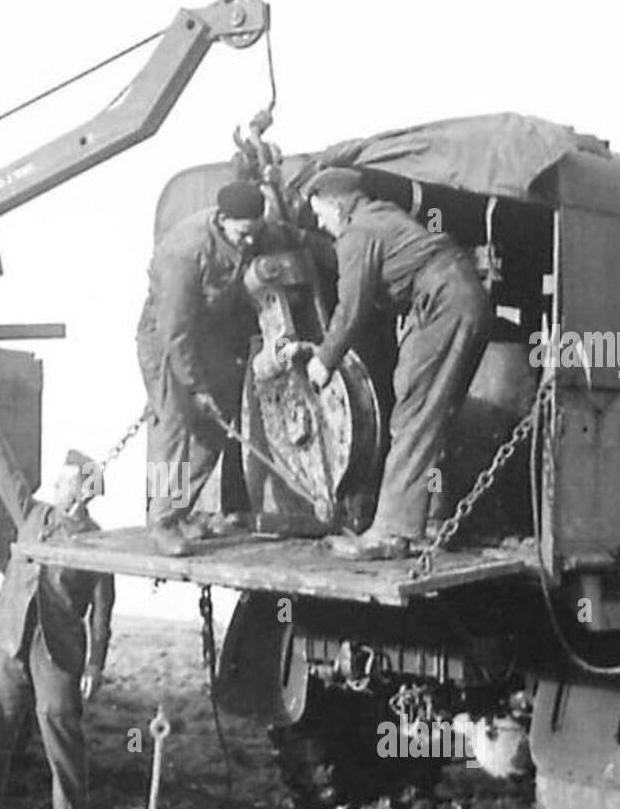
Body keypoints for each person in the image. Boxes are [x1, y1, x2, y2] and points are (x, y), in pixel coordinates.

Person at [300, 167, 490, 560]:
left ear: (336, 203)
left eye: (319, 212)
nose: (319, 221)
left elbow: (351, 309)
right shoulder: (381, 216)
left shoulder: (358, 233)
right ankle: (430, 520)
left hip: (442, 303)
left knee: (414, 411)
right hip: (461, 295)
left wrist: (324, 359)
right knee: (434, 413)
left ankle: (392, 530)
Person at [0, 381, 115, 809]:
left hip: (57, 650)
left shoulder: (98, 543)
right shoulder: (32, 514)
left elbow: (103, 613)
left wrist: (95, 663)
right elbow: (5, 470)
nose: (54, 482)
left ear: (82, 491)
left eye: (64, 479)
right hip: (12, 638)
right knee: (0, 724)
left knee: (58, 722)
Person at [135, 179, 273, 556]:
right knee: (176, 425)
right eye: (243, 235)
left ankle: (181, 511)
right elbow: (176, 331)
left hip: (206, 336)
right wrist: (196, 388)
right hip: (165, 341)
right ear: (223, 220)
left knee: (214, 428)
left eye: (254, 233)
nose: (249, 243)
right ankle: (162, 521)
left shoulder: (248, 231)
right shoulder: (186, 251)